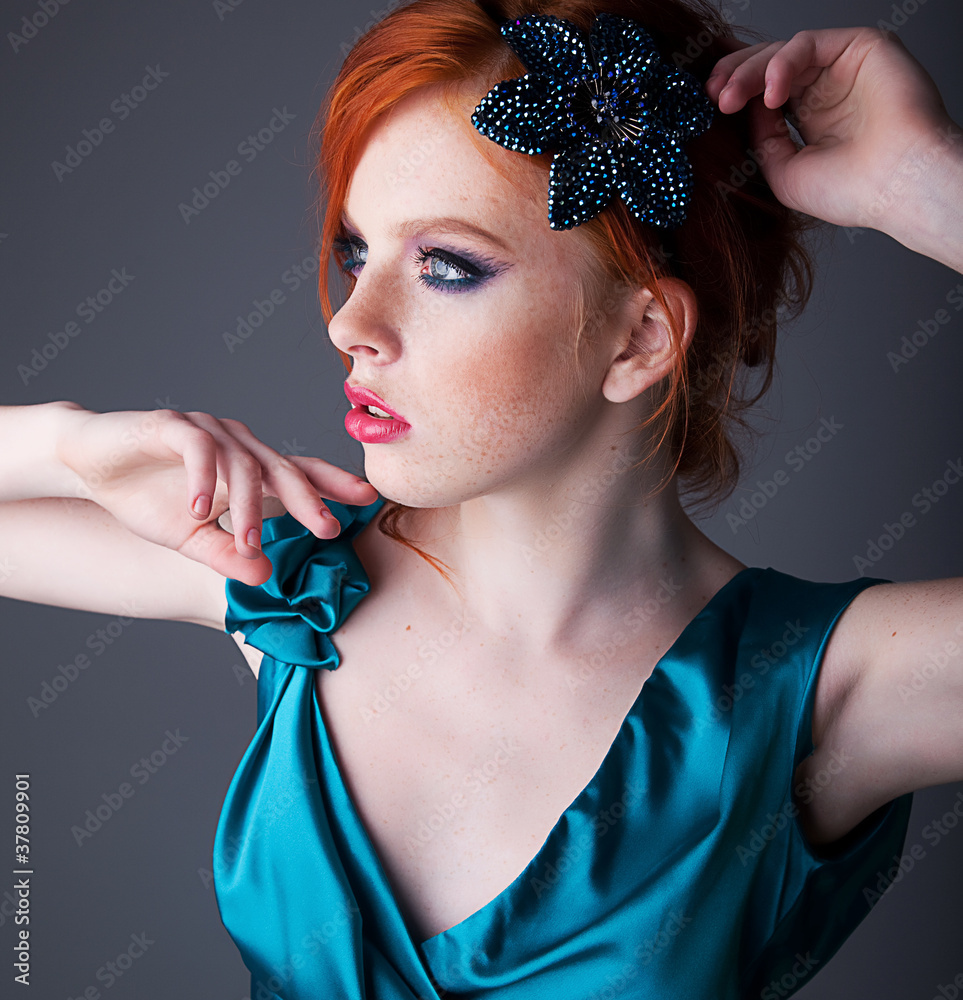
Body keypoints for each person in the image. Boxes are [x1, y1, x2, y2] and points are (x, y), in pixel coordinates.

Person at [2, 0, 961, 997]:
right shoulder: (290, 581)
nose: (352, 325)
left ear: (637, 340)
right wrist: (63, 444)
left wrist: (930, 186)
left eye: (444, 267)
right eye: (356, 255)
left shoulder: (818, 694)